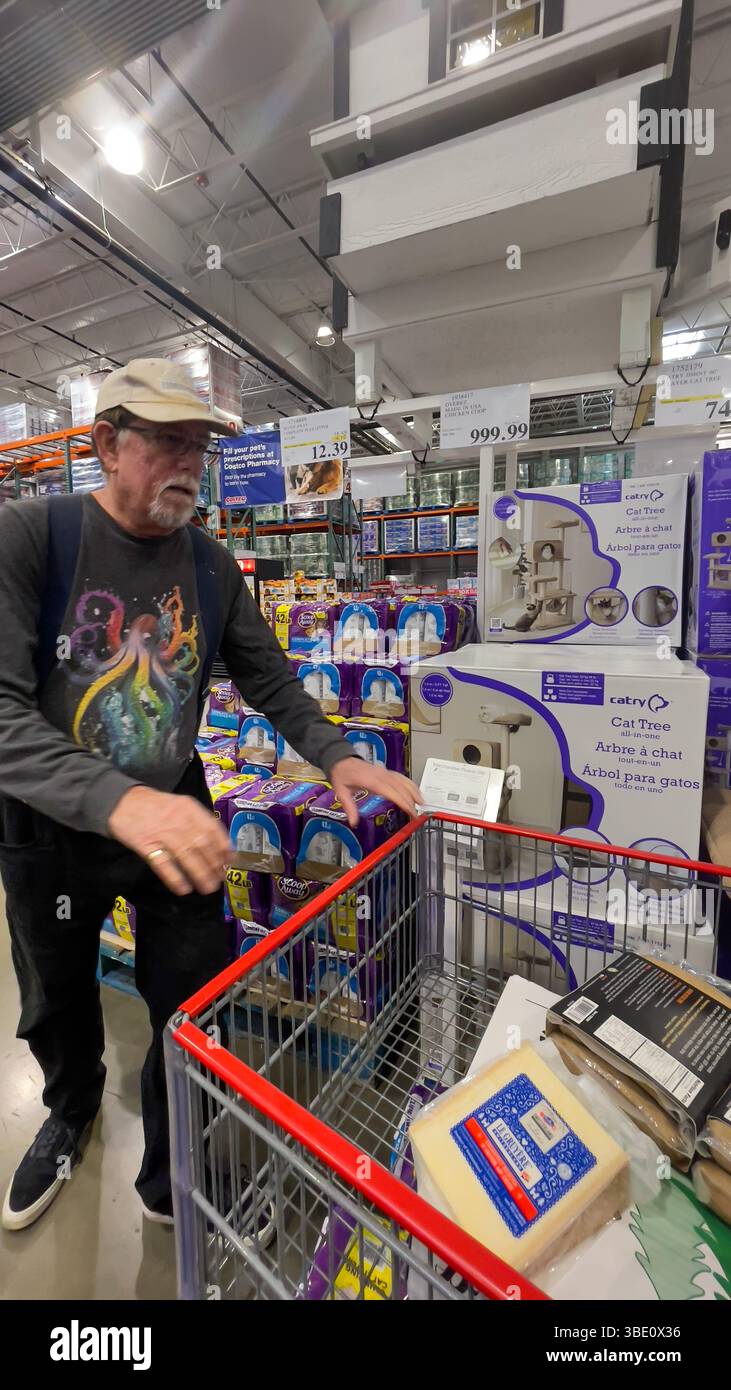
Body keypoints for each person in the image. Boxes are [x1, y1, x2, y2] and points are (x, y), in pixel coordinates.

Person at [0, 358, 420, 1231]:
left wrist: (337, 756)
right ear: (107, 444)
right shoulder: (32, 538)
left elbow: (268, 676)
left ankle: (169, 1177)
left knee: (192, 1002)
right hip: (52, 832)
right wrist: (113, 798)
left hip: (179, 817)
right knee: (59, 997)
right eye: (167, 443)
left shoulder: (209, 563)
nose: (190, 463)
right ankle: (71, 1111)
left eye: (200, 446)